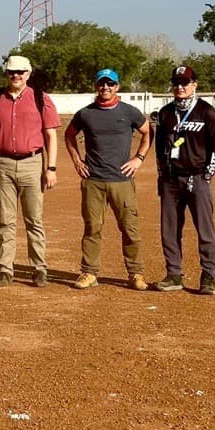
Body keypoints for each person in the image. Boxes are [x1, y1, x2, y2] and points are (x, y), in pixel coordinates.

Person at [64, 68, 151, 291]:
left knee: (130, 228)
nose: (105, 87)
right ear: (96, 86)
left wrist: (138, 159)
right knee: (92, 227)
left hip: (122, 181)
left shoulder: (129, 112)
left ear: (117, 87)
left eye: (110, 84)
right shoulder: (86, 114)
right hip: (93, 180)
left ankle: (135, 273)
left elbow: (147, 132)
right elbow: (69, 135)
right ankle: (89, 272)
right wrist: (77, 161)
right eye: (101, 83)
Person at [0, 55, 60, 287]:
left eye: (20, 72)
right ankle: (5, 269)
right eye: (12, 72)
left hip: (32, 164)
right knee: (6, 221)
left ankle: (39, 268)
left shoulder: (40, 98)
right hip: (3, 164)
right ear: (6, 74)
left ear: (28, 73)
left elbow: (51, 135)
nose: (16, 76)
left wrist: (51, 168)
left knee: (34, 220)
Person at [153, 65, 215, 295]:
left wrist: (207, 175)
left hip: (197, 178)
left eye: (184, 83)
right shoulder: (165, 113)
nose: (180, 87)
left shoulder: (206, 112)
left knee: (205, 230)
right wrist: (162, 174)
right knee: (170, 229)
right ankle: (174, 274)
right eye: (176, 83)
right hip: (171, 180)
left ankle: (208, 276)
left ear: (194, 85)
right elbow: (159, 147)